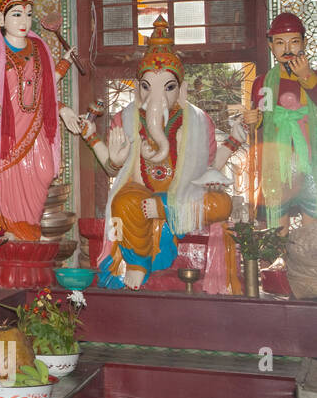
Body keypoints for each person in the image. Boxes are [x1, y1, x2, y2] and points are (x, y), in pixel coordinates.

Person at [63, 16, 243, 289]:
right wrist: (111, 153)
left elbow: (209, 171)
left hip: (183, 196)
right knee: (123, 203)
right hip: (140, 193)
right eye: (147, 87)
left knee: (222, 204)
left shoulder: (196, 120)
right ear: (138, 90)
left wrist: (232, 143)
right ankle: (138, 263)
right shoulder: (126, 118)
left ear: (181, 91)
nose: (156, 96)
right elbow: (114, 170)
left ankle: (163, 209)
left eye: (168, 87)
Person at [0, 0, 72, 240]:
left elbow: (45, 86)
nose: (24, 21)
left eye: (29, 13)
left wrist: (64, 66)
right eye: (16, 14)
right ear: (0, 18)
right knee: (9, 183)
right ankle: (14, 235)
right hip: (9, 133)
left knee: (45, 173)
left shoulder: (38, 47)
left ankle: (29, 234)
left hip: (36, 130)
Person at [243, 12, 317, 232]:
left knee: (311, 212)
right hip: (277, 159)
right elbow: (261, 121)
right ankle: (279, 256)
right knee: (278, 212)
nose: (287, 49)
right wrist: (253, 121)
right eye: (280, 43)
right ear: (270, 46)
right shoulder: (263, 82)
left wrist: (306, 77)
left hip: (310, 159)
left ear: (304, 42)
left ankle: (311, 259)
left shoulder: (313, 77)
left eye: (294, 42)